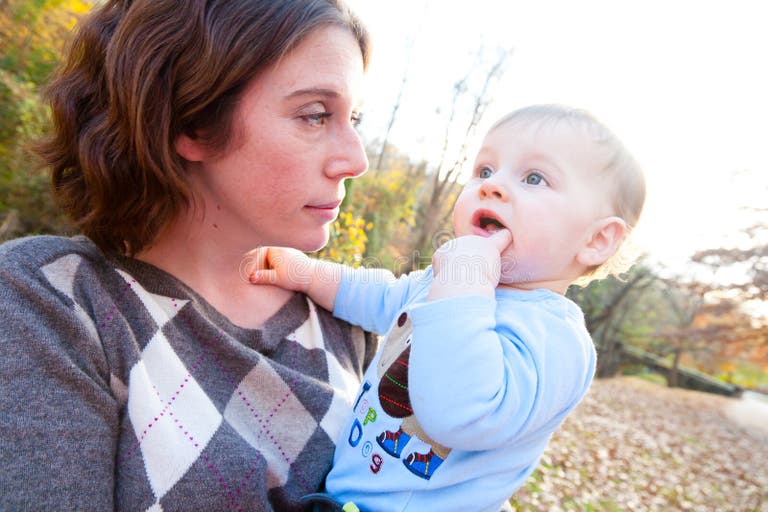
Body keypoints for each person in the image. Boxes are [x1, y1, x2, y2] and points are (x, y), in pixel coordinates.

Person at [0, 0, 377, 510]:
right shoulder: (49, 303)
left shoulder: (351, 320)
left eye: (355, 118)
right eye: (314, 115)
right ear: (192, 121)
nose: (356, 159)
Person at [249, 104, 647, 512]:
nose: (492, 187)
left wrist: (464, 282)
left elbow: (459, 413)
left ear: (597, 240)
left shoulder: (556, 340)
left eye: (534, 178)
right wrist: (307, 274)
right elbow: (382, 297)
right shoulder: (447, 286)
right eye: (485, 171)